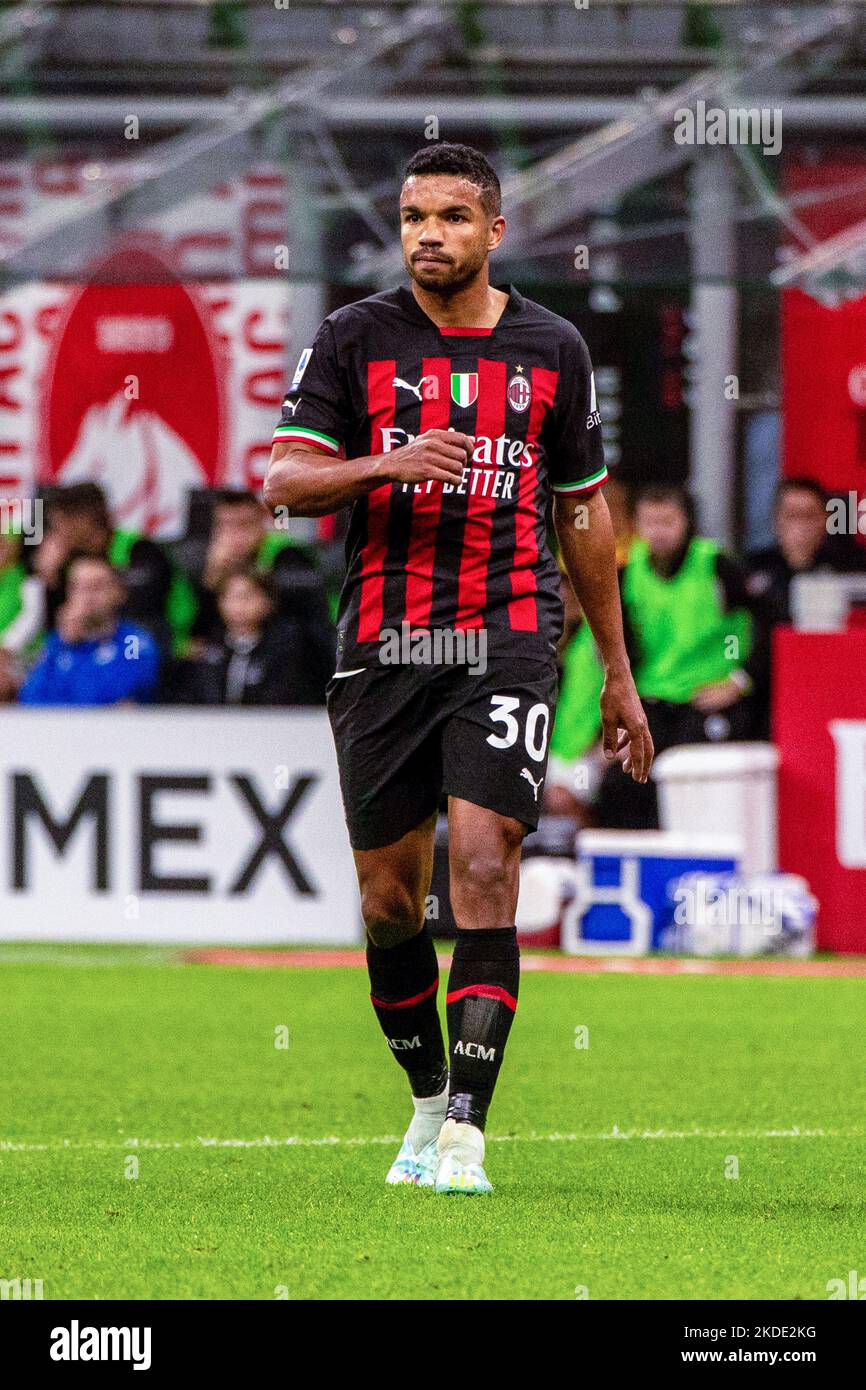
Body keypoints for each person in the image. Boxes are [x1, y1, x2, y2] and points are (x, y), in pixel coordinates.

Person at [263, 142, 652, 1195]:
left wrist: (615, 670)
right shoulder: (353, 337)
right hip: (385, 644)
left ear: (493, 230)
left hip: (506, 636)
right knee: (390, 900)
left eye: (448, 215)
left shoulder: (551, 348)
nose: (427, 233)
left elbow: (582, 509)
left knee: (483, 865)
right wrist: (383, 461)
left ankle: (467, 1134)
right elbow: (281, 483)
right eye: (411, 216)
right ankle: (428, 1100)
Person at [595, 483, 761, 828]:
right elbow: (615, 651)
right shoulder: (626, 575)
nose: (659, 533)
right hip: (651, 704)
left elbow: (764, 624)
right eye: (650, 522)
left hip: (708, 702)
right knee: (620, 785)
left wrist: (739, 680)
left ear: (686, 522)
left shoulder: (717, 567)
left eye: (668, 522)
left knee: (695, 788)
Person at [173, 566, 329, 706]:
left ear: (267, 601)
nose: (238, 605)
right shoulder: (209, 648)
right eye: (230, 597)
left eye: (246, 596)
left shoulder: (287, 647)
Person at [19, 553, 159, 706]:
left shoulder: (133, 641)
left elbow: (121, 691)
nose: (87, 596)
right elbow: (30, 698)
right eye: (77, 587)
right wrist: (64, 642)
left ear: (119, 593)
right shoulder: (57, 643)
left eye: (97, 587)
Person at [745, 475, 866, 628]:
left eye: (809, 516)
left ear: (825, 520)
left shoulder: (850, 565)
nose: (801, 526)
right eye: (792, 515)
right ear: (776, 520)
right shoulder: (754, 567)